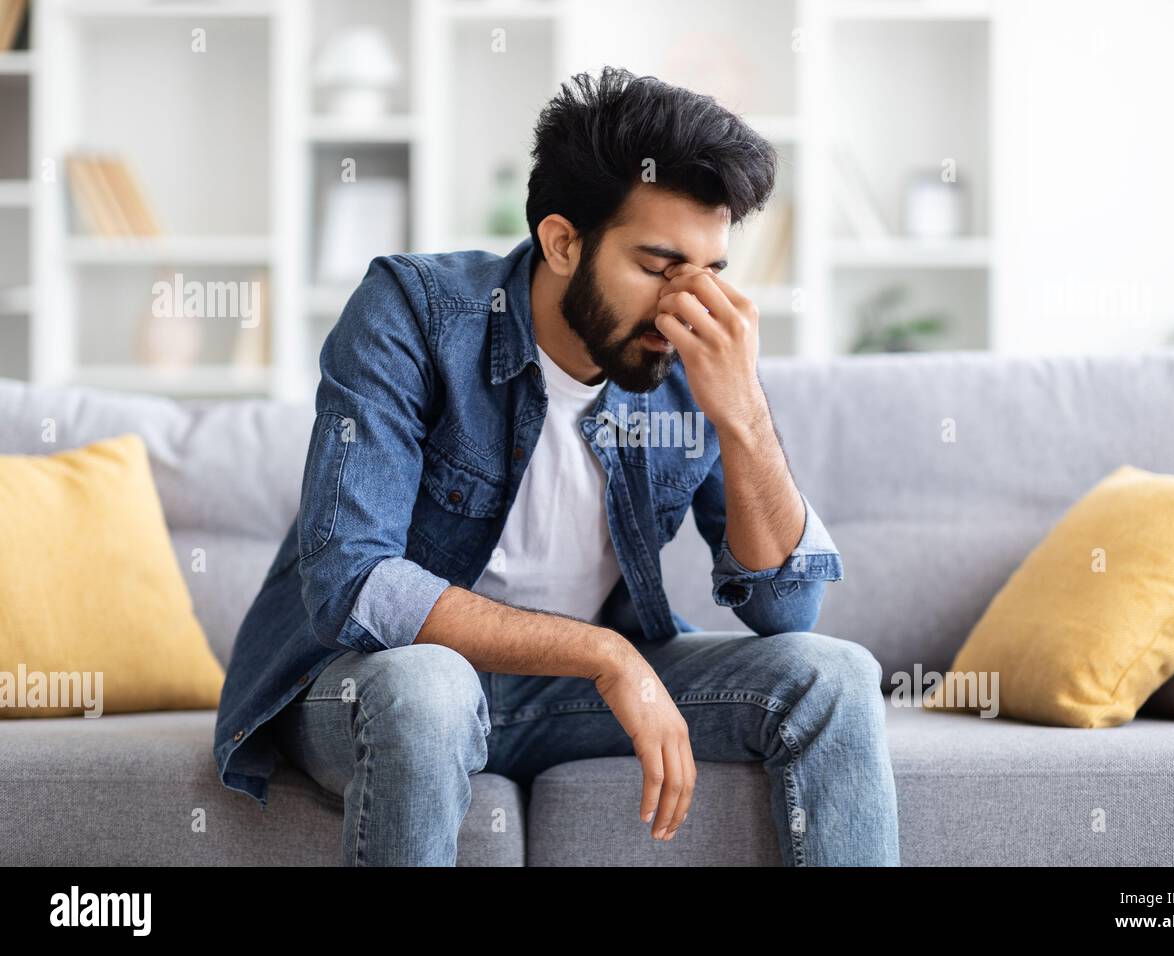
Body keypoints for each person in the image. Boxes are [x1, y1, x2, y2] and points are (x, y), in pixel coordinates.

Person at [213, 65, 900, 867]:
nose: (688, 306)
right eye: (656, 266)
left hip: (558, 699)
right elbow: (353, 582)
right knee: (430, 688)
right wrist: (604, 655)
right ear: (563, 241)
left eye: (709, 272)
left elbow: (787, 612)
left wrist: (742, 415)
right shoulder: (414, 312)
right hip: (370, 686)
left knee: (836, 676)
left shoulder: (691, 362)